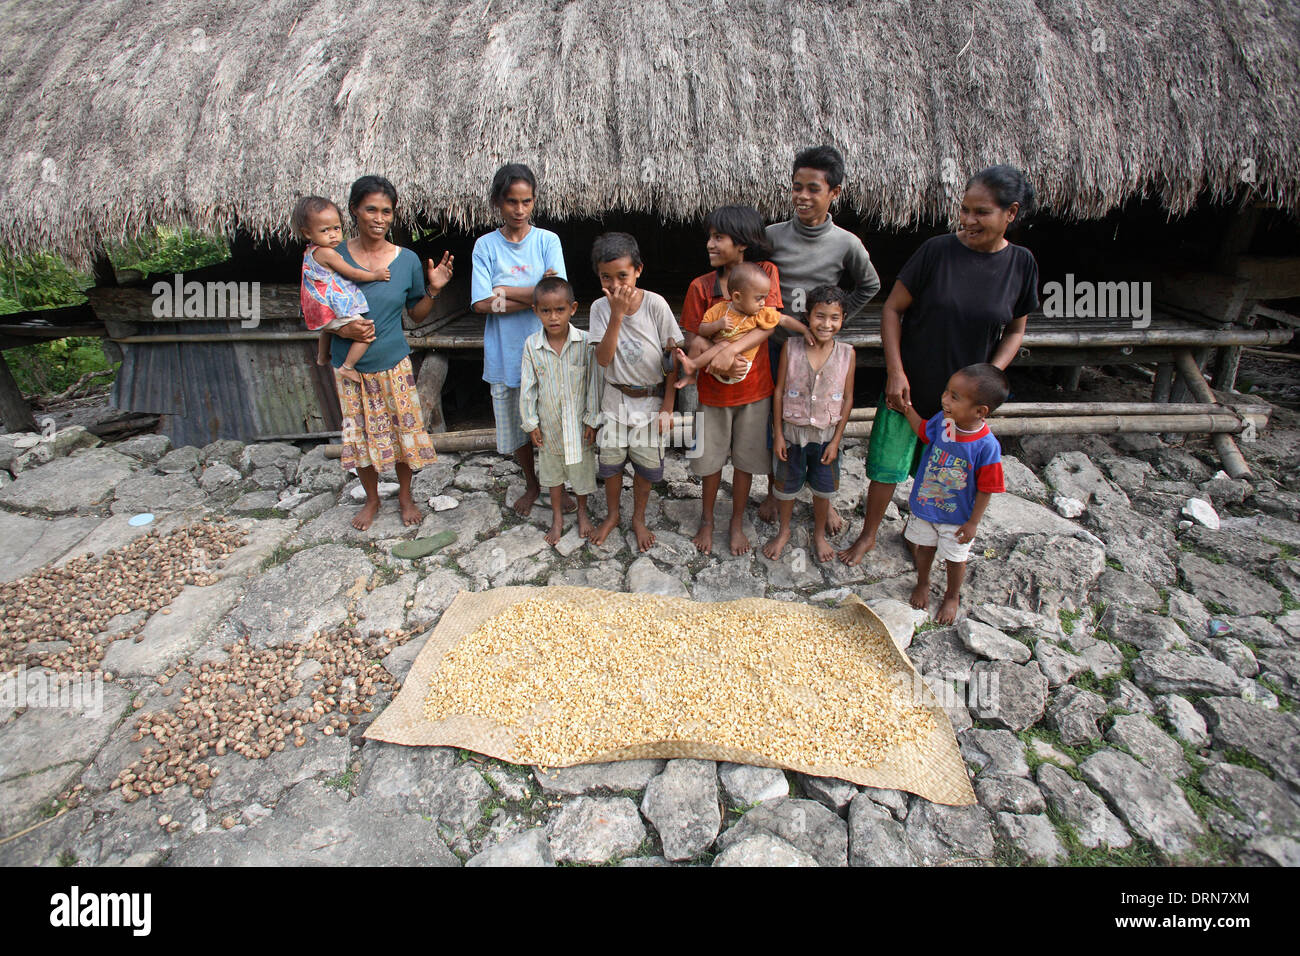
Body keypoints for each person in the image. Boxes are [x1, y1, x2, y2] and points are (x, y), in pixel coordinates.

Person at [839, 164, 1038, 566]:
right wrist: (896, 371)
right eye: (964, 209)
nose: (968, 220)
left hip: (965, 400)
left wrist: (990, 376)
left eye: (981, 212)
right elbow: (892, 310)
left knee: (943, 474)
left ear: (1010, 214)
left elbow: (1016, 330)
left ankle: (922, 534)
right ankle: (869, 534)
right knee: (887, 463)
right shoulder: (937, 251)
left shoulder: (1021, 264)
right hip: (912, 381)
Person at [761, 144, 881, 529]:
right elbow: (754, 285)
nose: (803, 196)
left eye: (813, 188)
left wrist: (834, 322)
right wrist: (776, 320)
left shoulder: (846, 243)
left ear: (835, 193)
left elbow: (870, 284)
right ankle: (774, 490)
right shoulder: (771, 236)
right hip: (778, 347)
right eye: (797, 187)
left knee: (825, 421)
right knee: (777, 420)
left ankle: (825, 502)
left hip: (822, 354)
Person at [327, 175, 454, 530]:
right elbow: (315, 310)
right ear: (354, 210)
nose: (379, 218)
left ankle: (404, 495)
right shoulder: (331, 257)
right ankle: (371, 498)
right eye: (371, 209)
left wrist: (433, 289)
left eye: (387, 211)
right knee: (359, 435)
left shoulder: (407, 260)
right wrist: (340, 328)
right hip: (349, 366)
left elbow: (415, 314)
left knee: (402, 435)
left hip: (392, 362)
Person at [679, 206, 784, 555]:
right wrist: (719, 364)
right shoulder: (701, 286)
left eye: (718, 237)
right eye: (710, 236)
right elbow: (694, 338)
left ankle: (735, 522)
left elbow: (769, 324)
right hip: (711, 392)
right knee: (709, 461)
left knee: (745, 460)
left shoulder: (764, 275)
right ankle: (707, 519)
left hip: (755, 391)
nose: (709, 243)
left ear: (742, 244)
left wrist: (731, 349)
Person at [470, 163, 568, 517]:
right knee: (518, 427)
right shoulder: (485, 246)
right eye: (512, 201)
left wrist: (504, 290)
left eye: (526, 201)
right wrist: (532, 294)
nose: (519, 209)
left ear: (534, 201)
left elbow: (554, 296)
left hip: (548, 351)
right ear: (498, 201)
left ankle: (557, 483)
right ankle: (532, 483)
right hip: (506, 354)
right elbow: (481, 304)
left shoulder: (547, 241)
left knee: (552, 423)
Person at [587, 232, 682, 551]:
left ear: (638, 270)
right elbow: (603, 359)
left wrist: (668, 406)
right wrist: (616, 315)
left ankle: (638, 518)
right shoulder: (600, 308)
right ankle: (613, 514)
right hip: (614, 402)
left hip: (651, 404)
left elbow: (673, 359)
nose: (616, 285)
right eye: (606, 277)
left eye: (623, 276)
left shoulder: (655, 305)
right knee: (611, 466)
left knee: (645, 469)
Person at [896, 364, 1009, 624]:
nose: (944, 399)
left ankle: (952, 595)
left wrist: (973, 523)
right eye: (946, 392)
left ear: (980, 411)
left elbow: (986, 488)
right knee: (924, 547)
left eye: (954, 397)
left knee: (955, 559)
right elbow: (925, 432)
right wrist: (905, 409)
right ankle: (923, 582)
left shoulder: (986, 446)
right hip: (927, 504)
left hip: (957, 517)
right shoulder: (946, 423)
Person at [762, 285, 855, 563]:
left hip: (826, 436)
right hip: (792, 433)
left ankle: (818, 535)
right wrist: (778, 434)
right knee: (786, 488)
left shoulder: (847, 354)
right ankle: (785, 530)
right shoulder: (791, 348)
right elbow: (778, 392)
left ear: (843, 318)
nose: (826, 324)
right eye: (820, 316)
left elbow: (848, 398)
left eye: (834, 318)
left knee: (823, 488)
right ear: (807, 316)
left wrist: (837, 440)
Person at [519, 277, 601, 546]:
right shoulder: (532, 345)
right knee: (553, 476)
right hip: (550, 426)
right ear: (536, 311)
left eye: (560, 310)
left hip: (578, 426)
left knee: (582, 473)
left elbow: (593, 384)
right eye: (545, 311)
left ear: (573, 309)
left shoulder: (586, 342)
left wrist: (592, 419)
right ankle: (557, 517)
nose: (553, 317)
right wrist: (531, 423)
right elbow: (528, 388)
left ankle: (583, 513)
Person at [292, 195, 390, 384]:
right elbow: (353, 273)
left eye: (336, 228)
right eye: (325, 230)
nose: (333, 235)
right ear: (307, 233)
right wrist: (375, 275)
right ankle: (348, 367)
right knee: (367, 333)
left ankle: (322, 356)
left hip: (322, 313)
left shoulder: (309, 252)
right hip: (336, 309)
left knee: (327, 329)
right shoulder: (327, 253)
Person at [673, 262, 782, 387]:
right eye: (759, 298)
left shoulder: (760, 313)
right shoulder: (720, 309)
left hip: (740, 366)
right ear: (737, 297)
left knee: (724, 344)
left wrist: (804, 330)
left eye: (765, 298)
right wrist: (717, 325)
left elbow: (780, 323)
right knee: (698, 341)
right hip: (715, 363)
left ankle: (693, 364)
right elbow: (702, 330)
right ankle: (690, 376)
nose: (763, 303)